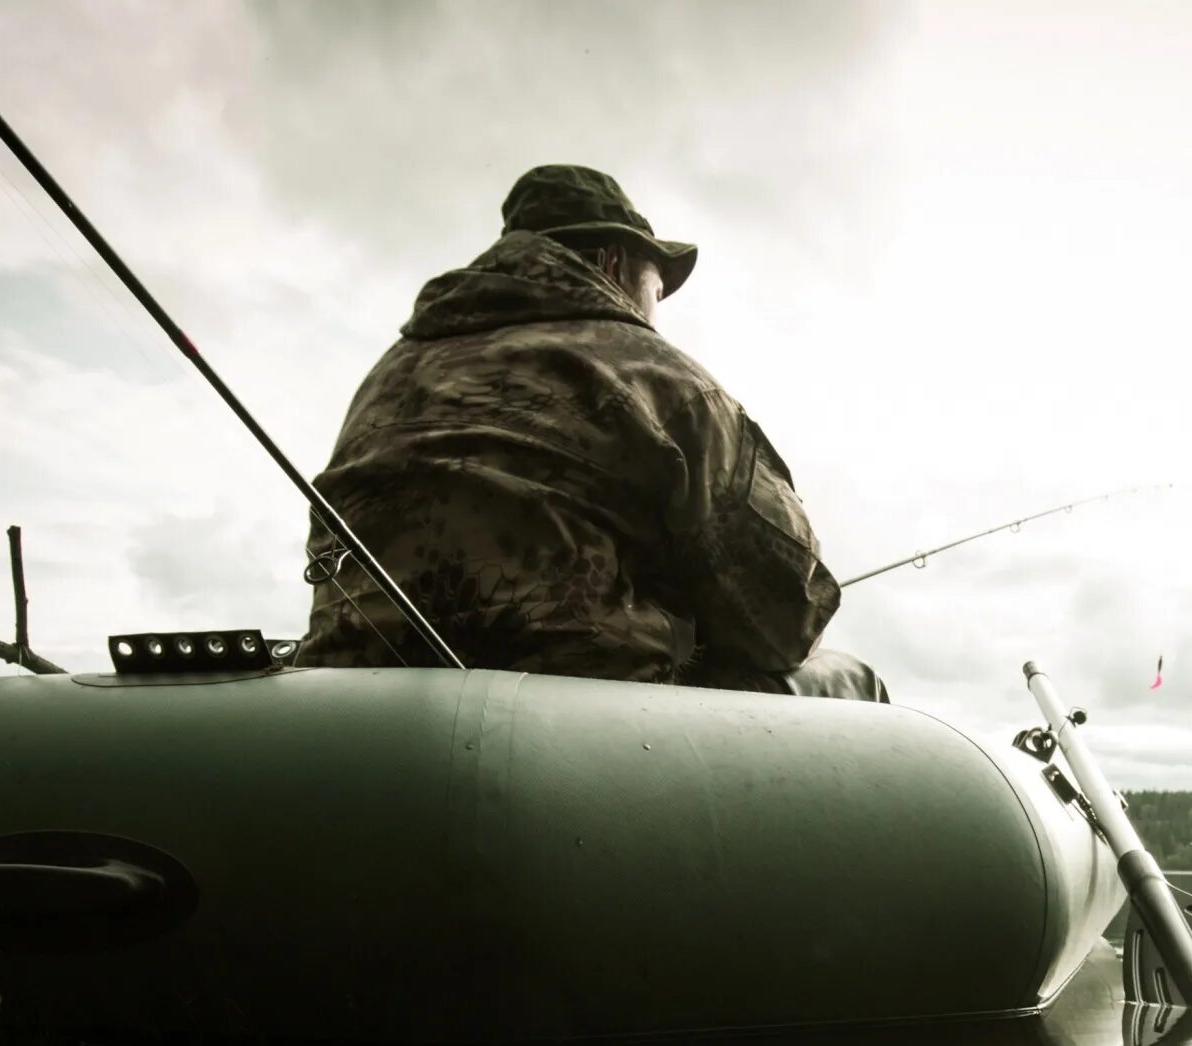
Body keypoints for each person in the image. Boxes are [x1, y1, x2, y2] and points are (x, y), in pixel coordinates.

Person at [294, 164, 887, 701]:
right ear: (611, 265)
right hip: (583, 726)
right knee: (855, 682)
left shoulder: (390, 374)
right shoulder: (662, 380)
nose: (656, 312)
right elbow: (786, 621)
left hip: (362, 700)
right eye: (657, 288)